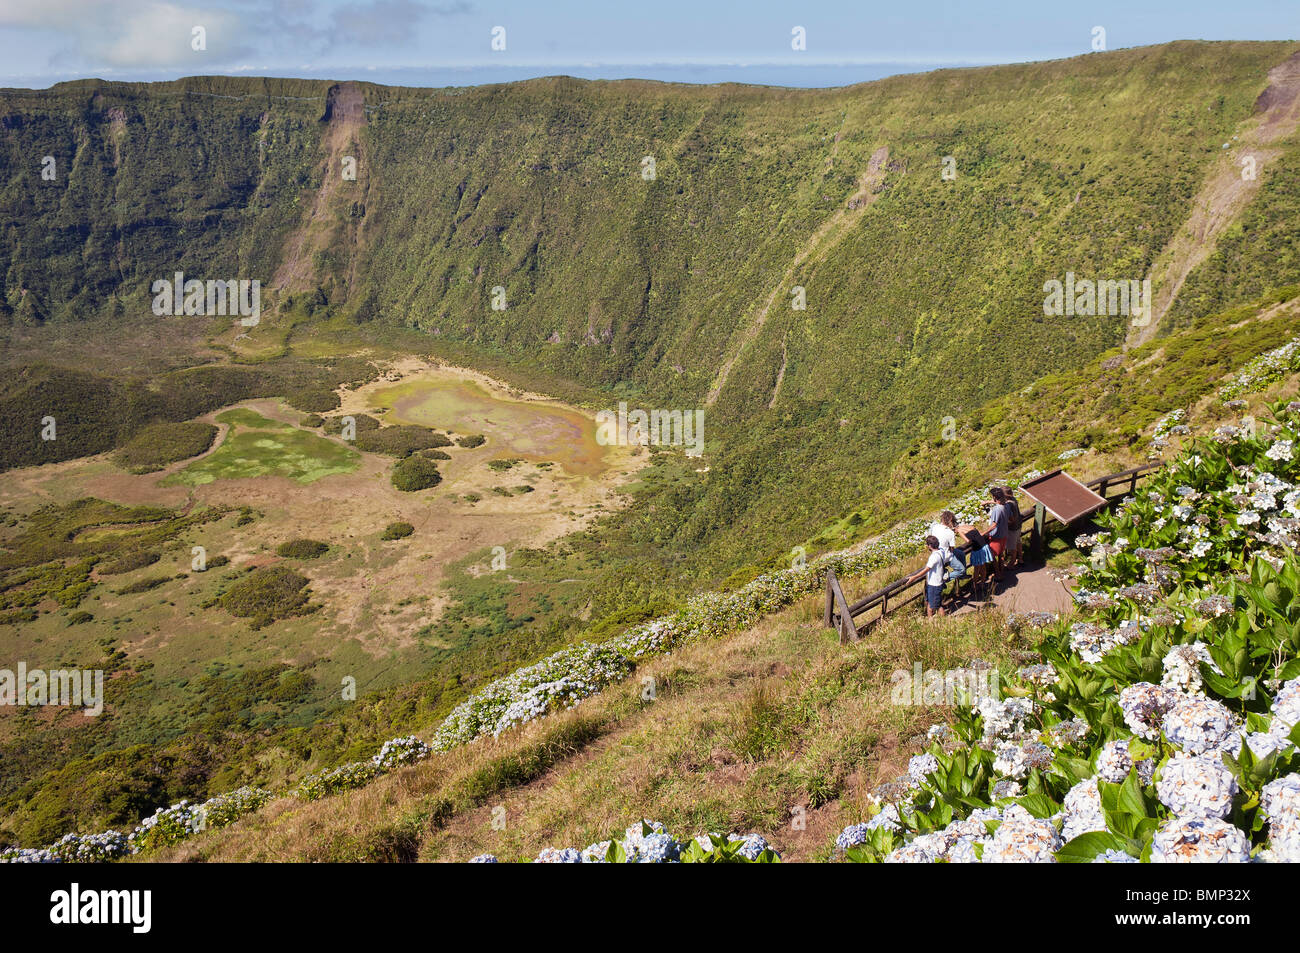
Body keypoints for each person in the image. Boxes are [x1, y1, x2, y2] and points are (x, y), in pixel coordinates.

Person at [905, 535, 948, 618]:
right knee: (931, 603)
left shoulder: (934, 557)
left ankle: (938, 621)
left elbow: (926, 569)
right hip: (937, 582)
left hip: (934, 584)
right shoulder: (941, 551)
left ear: (930, 546)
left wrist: (914, 577)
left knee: (936, 606)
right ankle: (931, 621)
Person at [956, 520, 995, 599]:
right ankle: (983, 584)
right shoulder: (968, 525)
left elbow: (968, 541)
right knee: (983, 566)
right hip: (984, 546)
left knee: (976, 569)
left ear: (955, 529)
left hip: (977, 549)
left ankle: (974, 586)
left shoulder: (960, 531)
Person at [985, 488, 1010, 579]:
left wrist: (984, 532)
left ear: (995, 497)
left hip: (996, 536)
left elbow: (994, 525)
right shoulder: (1006, 506)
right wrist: (988, 502)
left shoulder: (996, 509)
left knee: (992, 555)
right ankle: (1002, 570)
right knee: (1001, 554)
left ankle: (998, 575)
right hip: (1004, 533)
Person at [1002, 487, 1024, 567]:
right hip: (1018, 525)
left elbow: (1011, 519)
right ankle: (1020, 558)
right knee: (1018, 542)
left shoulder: (1008, 504)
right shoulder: (1013, 499)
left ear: (1005, 495)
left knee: (1012, 546)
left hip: (1012, 528)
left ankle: (1012, 562)